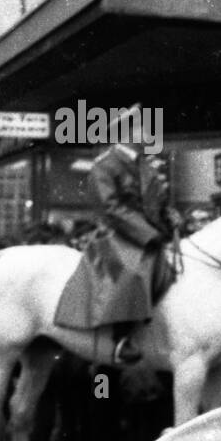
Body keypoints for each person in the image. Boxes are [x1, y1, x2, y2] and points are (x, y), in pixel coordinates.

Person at [53, 142, 180, 365]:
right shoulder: (104, 165)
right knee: (132, 271)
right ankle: (121, 339)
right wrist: (147, 233)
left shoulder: (144, 162)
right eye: (140, 127)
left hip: (147, 231)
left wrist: (169, 216)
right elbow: (111, 207)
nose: (146, 132)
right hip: (118, 232)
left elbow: (154, 201)